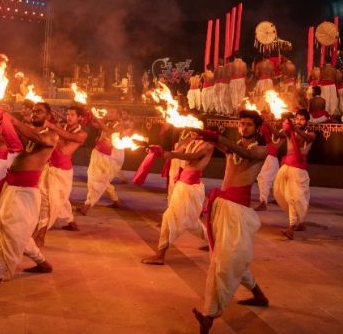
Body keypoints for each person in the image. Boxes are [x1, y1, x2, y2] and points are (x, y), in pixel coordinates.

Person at [0, 102, 58, 305]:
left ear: (49, 115)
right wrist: (1, 118)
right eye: (34, 110)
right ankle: (42, 263)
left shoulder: (51, 135)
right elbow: (11, 139)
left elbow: (38, 138)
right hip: (11, 188)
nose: (34, 113)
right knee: (3, 229)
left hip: (26, 193)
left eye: (40, 111)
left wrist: (11, 118)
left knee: (10, 233)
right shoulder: (30, 133)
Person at [193, 111, 269, 333]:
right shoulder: (234, 144)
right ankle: (259, 295)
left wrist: (217, 138)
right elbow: (229, 148)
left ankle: (209, 315)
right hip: (223, 206)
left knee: (225, 262)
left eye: (248, 125)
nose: (243, 127)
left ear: (256, 127)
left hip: (238, 211)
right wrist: (207, 137)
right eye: (241, 124)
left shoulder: (260, 150)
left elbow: (244, 152)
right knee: (228, 259)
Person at [141, 129, 213, 265]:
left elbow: (194, 157)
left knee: (173, 218)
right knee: (188, 221)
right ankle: (215, 242)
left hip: (191, 188)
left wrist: (172, 154)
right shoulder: (191, 142)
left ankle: (160, 254)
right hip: (183, 184)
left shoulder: (208, 145)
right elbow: (178, 151)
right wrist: (161, 152)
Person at [34, 104, 88, 246]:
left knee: (54, 201)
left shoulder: (82, 134)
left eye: (72, 115)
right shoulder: (60, 127)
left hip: (62, 172)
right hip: (49, 167)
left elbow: (65, 150)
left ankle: (41, 235)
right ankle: (70, 222)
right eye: (68, 114)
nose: (68, 117)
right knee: (49, 200)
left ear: (80, 118)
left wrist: (53, 128)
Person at [272, 109, 316, 239]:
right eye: (297, 119)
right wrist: (269, 124)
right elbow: (277, 134)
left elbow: (306, 138)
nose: (299, 121)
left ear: (307, 121)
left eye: (302, 119)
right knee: (287, 196)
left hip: (298, 170)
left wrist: (294, 129)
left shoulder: (311, 134)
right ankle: (300, 223)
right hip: (286, 167)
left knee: (294, 198)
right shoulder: (289, 132)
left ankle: (291, 228)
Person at [76, 110, 127, 214]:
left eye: (112, 112)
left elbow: (109, 132)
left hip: (109, 157)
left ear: (118, 115)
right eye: (108, 112)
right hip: (99, 152)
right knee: (97, 178)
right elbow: (95, 125)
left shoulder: (120, 125)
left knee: (98, 180)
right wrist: (91, 117)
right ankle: (116, 201)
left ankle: (87, 205)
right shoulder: (107, 121)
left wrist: (97, 118)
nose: (108, 113)